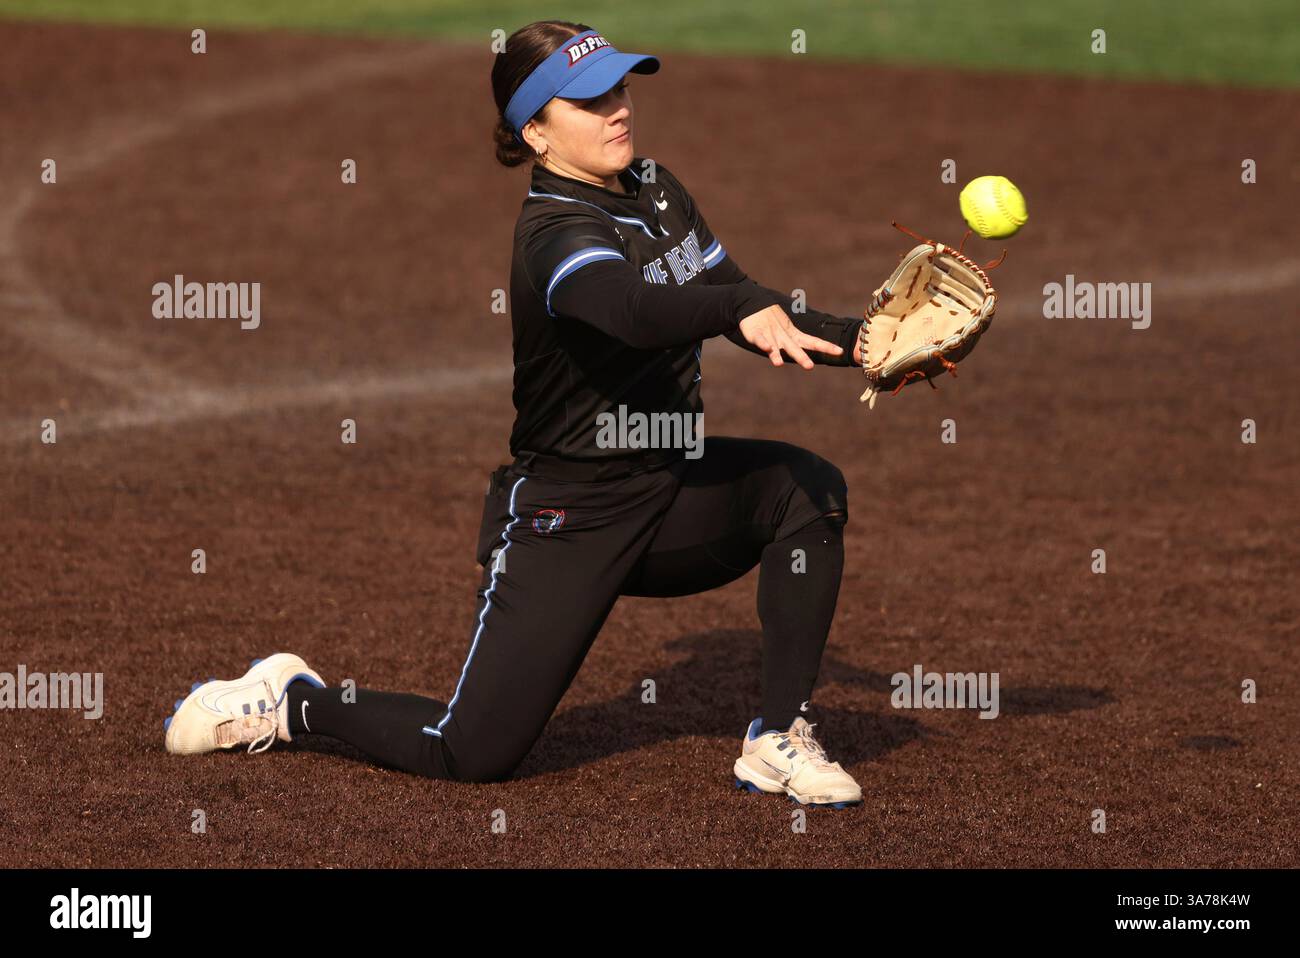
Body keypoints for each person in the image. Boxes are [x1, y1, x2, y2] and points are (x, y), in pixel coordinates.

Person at [165, 20, 870, 808]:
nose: (617, 109)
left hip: (670, 490)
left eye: (620, 87)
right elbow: (631, 309)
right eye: (588, 99)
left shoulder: (658, 189)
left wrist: (870, 345)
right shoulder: (552, 232)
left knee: (806, 490)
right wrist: (735, 304)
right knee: (470, 753)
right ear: (534, 130)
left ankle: (778, 737)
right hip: (568, 516)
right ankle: (293, 699)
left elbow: (750, 301)